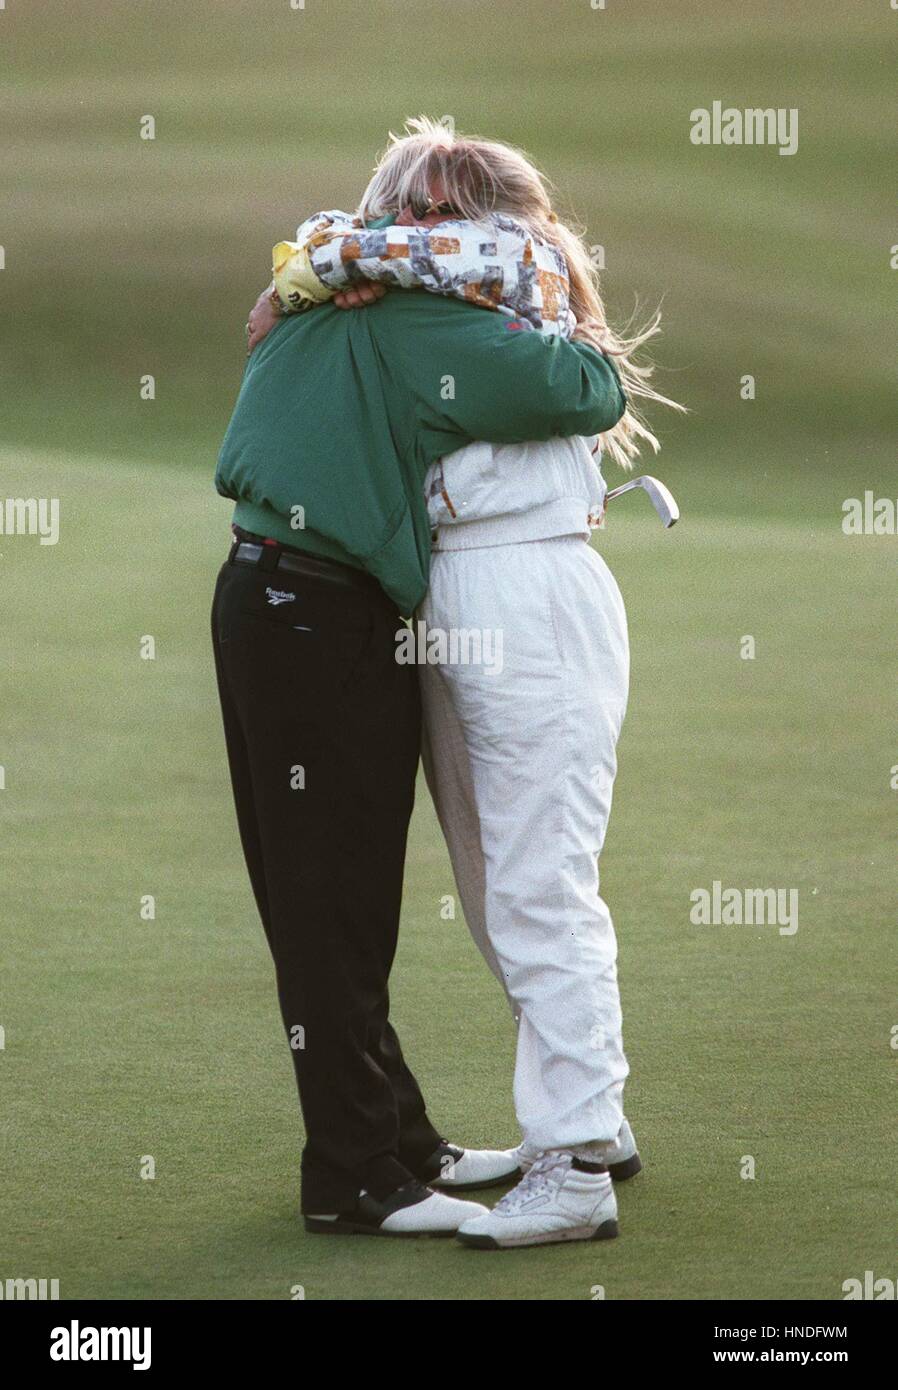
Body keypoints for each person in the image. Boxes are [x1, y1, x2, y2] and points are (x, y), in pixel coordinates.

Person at [248, 116, 683, 1248]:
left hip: (526, 595)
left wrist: (341, 261)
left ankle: (577, 1155)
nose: (431, 228)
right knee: (498, 881)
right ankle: (591, 1119)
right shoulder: (397, 291)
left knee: (538, 880)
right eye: (415, 208)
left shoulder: (494, 303)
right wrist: (336, 262)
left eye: (451, 208)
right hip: (445, 604)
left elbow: (579, 382)